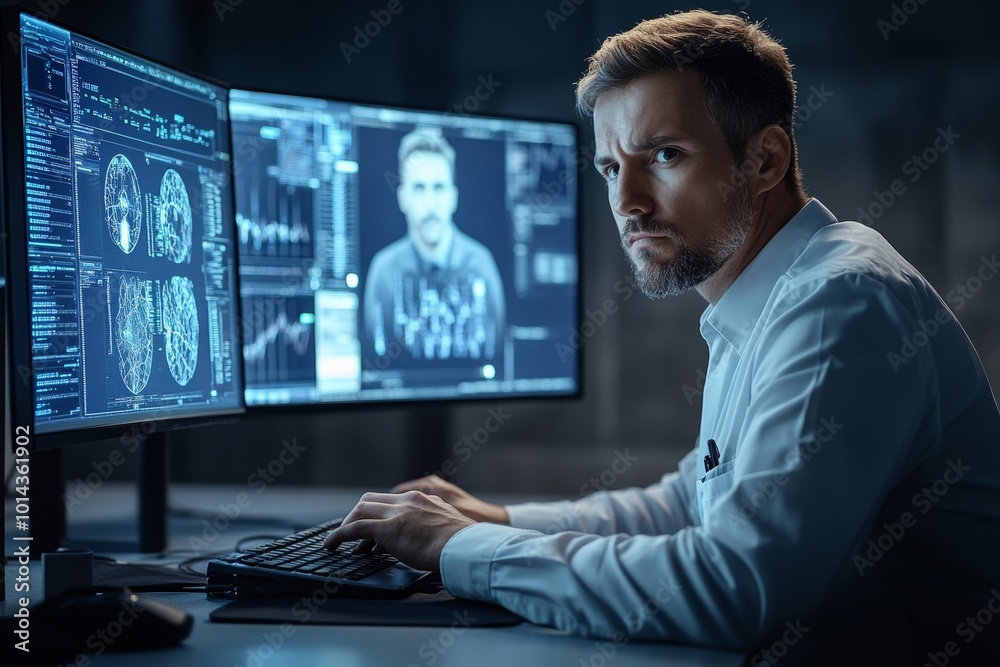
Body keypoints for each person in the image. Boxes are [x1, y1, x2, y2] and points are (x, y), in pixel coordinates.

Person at [328, 10, 1000, 663]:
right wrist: (499, 522)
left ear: (764, 160)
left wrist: (460, 551)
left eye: (663, 155)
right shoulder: (769, 295)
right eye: (612, 169)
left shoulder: (837, 301)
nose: (627, 203)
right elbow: (688, 503)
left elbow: (737, 586)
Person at [362, 127, 505, 362]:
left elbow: (497, 353)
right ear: (402, 197)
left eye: (438, 188)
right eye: (419, 188)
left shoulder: (481, 265)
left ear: (453, 197)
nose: (430, 204)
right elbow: (375, 354)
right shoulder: (384, 271)